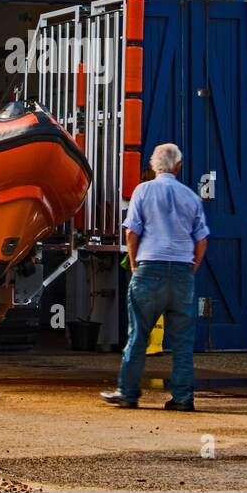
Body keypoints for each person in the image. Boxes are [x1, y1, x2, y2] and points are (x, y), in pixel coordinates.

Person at [101, 142, 208, 411]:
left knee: (138, 335)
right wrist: (191, 268)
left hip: (150, 268)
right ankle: (183, 398)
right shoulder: (191, 197)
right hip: (182, 271)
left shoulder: (143, 191)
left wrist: (136, 264)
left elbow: (131, 232)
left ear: (152, 165)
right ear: (179, 166)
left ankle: (128, 393)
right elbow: (202, 239)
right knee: (182, 342)